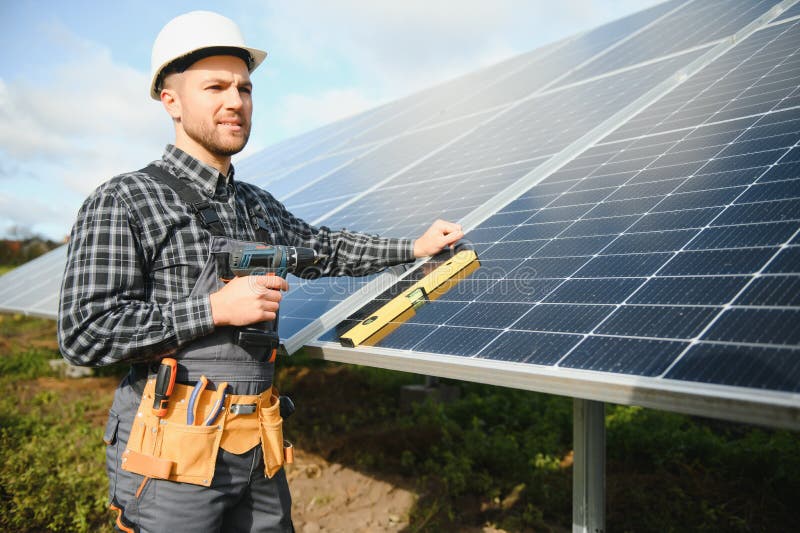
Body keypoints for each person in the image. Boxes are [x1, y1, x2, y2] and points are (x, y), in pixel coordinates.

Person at [57, 10, 463, 533]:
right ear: (171, 100)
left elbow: (325, 249)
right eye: (216, 87)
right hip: (173, 458)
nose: (235, 102)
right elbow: (84, 334)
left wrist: (413, 247)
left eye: (244, 89)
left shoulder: (258, 206)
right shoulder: (125, 200)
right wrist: (212, 309)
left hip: (258, 445)